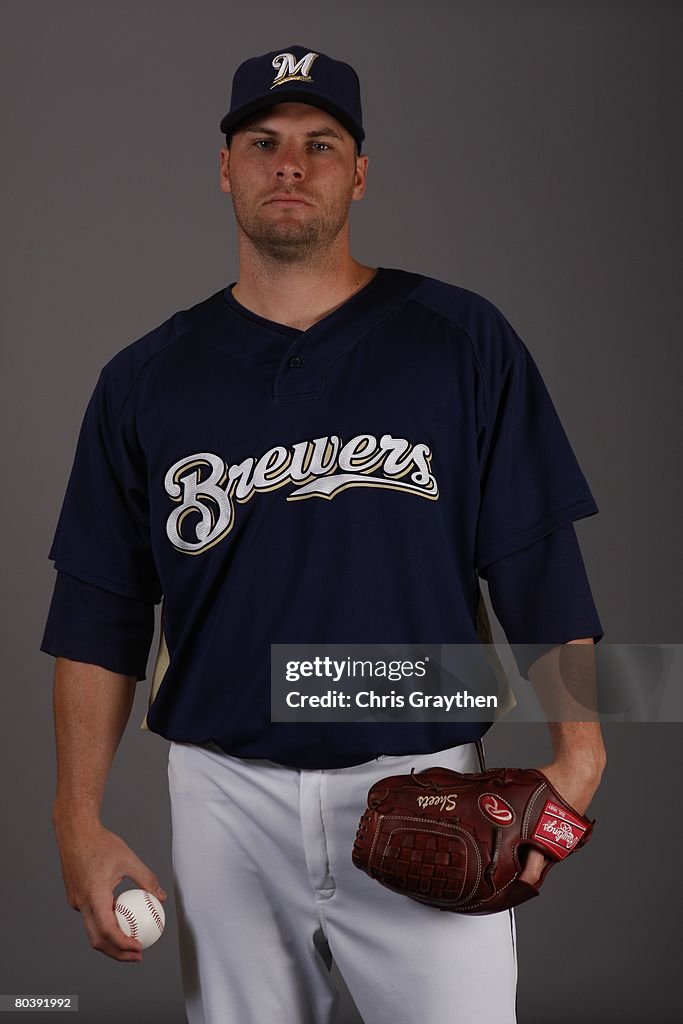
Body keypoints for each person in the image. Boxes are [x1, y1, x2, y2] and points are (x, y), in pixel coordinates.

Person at [41, 44, 606, 1024]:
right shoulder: (142, 379)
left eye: (319, 142)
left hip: (420, 783)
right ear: (225, 167)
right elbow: (100, 608)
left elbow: (535, 559)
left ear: (358, 170)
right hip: (222, 797)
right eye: (262, 142)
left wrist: (580, 750)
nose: (289, 165)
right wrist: (76, 817)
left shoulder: (460, 340)